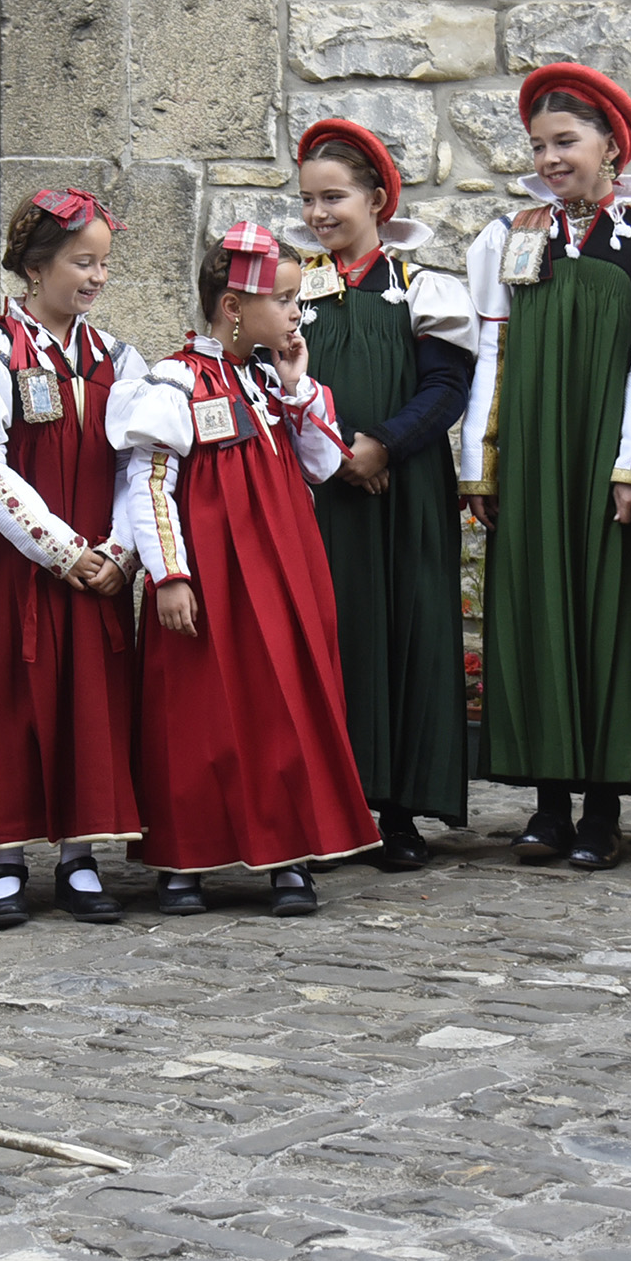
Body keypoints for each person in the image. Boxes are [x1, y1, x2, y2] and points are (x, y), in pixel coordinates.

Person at [109, 225, 379, 914]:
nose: (297, 314)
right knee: (194, 715)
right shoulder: (174, 380)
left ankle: (289, 852)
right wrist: (168, 575)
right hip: (213, 580)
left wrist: (295, 389)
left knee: (283, 707)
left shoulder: (271, 381)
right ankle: (183, 858)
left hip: (284, 574)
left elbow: (323, 465)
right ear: (233, 307)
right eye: (284, 300)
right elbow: (150, 483)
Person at [461, 67, 631, 871]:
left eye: (567, 142)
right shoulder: (507, 236)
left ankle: (601, 807)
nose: (551, 157)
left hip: (600, 450)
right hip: (530, 450)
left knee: (604, 619)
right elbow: (494, 344)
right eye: (539, 145)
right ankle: (546, 805)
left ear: (613, 147)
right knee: (534, 617)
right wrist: (478, 466)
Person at [0, 188, 146, 928]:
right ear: (35, 265)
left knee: (90, 702)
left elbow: (137, 467)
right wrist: (60, 549)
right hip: (21, 562)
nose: (96, 277)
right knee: (15, 699)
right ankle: (6, 856)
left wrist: (119, 551)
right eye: (82, 262)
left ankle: (80, 854)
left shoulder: (117, 359)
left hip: (99, 565)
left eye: (103, 264)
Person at [289, 118, 475, 870]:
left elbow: (444, 388)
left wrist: (383, 444)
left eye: (333, 197)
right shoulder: (291, 289)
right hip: (318, 493)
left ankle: (397, 809)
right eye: (306, 201)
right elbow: (274, 383)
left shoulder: (423, 289)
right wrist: (335, 456)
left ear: (376, 198)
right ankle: (326, 805)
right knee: (332, 637)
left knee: (404, 632)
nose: (317, 215)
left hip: (403, 494)